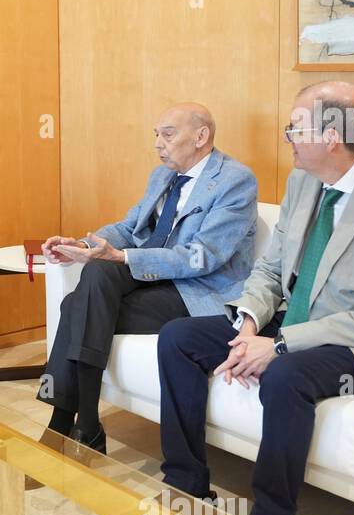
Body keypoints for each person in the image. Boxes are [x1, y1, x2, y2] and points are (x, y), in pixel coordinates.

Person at [157, 82, 354, 515]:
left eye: (295, 127)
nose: (288, 137)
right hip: (293, 322)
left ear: (330, 135)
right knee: (179, 338)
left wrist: (279, 345)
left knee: (284, 375)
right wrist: (247, 325)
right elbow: (269, 269)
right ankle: (187, 486)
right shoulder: (303, 183)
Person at [38, 103, 258, 452]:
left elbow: (203, 257)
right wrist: (80, 244)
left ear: (201, 136)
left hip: (197, 291)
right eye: (156, 134)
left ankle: (66, 424)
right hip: (152, 279)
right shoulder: (162, 176)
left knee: (75, 305)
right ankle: (86, 423)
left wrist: (123, 257)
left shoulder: (235, 181)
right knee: (95, 274)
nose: (158, 143)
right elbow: (129, 228)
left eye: (167, 134)